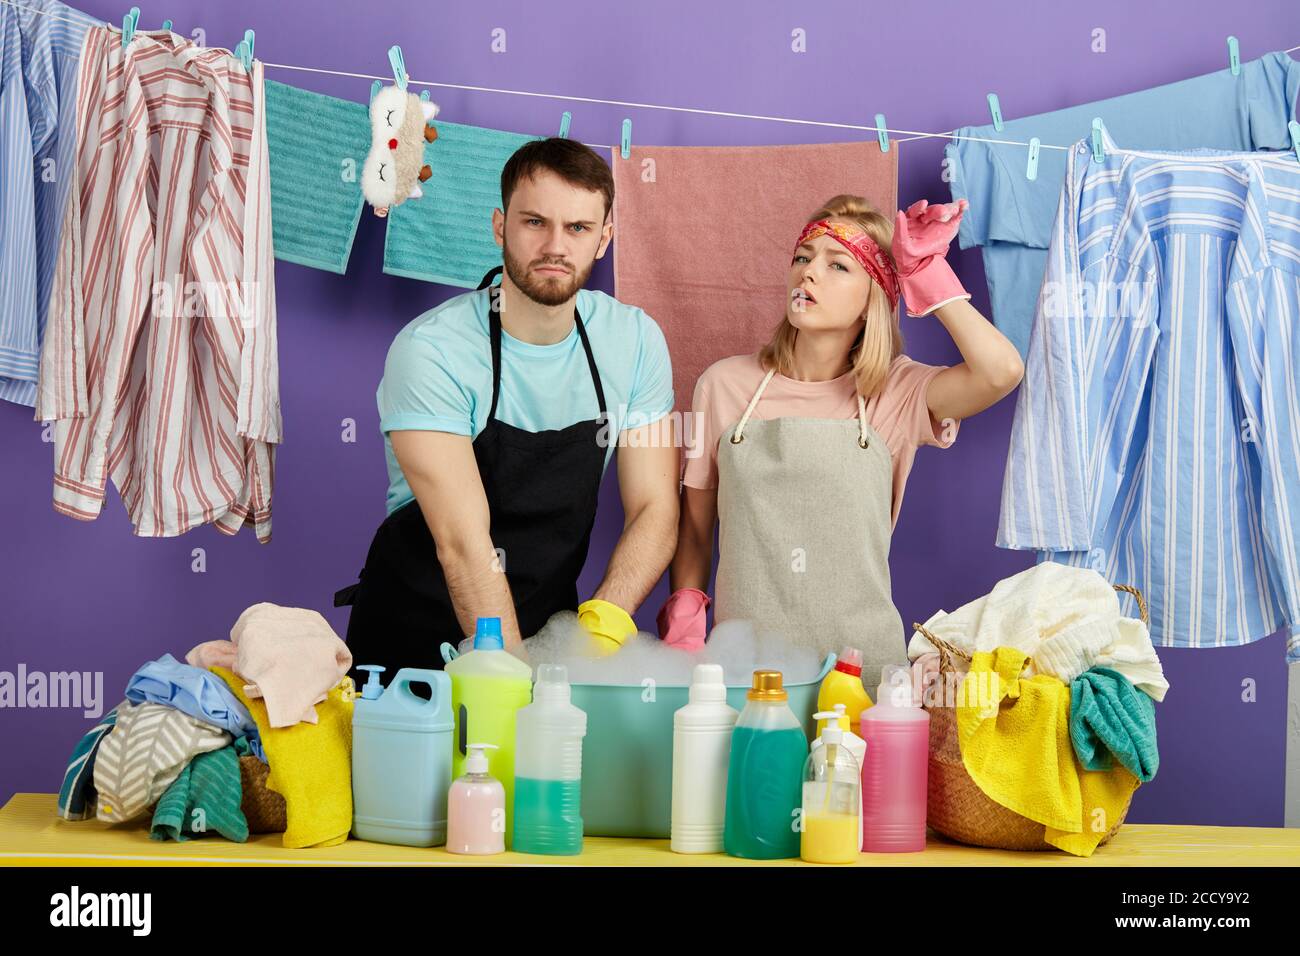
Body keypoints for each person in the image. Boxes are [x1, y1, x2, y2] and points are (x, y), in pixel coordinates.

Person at [336, 139, 680, 681]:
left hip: (547, 635)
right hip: (410, 652)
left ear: (604, 238)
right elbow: (465, 546)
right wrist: (516, 688)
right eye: (534, 222)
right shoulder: (432, 350)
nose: (555, 246)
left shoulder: (634, 341)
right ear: (500, 227)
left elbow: (655, 510)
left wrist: (595, 634)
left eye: (578, 228)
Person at [657, 193, 1024, 684]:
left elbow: (1001, 371)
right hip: (745, 673)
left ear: (875, 294)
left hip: (864, 675)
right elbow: (697, 530)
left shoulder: (897, 390)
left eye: (838, 266)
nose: (808, 273)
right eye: (803, 258)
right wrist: (685, 627)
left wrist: (926, 272)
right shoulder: (724, 385)